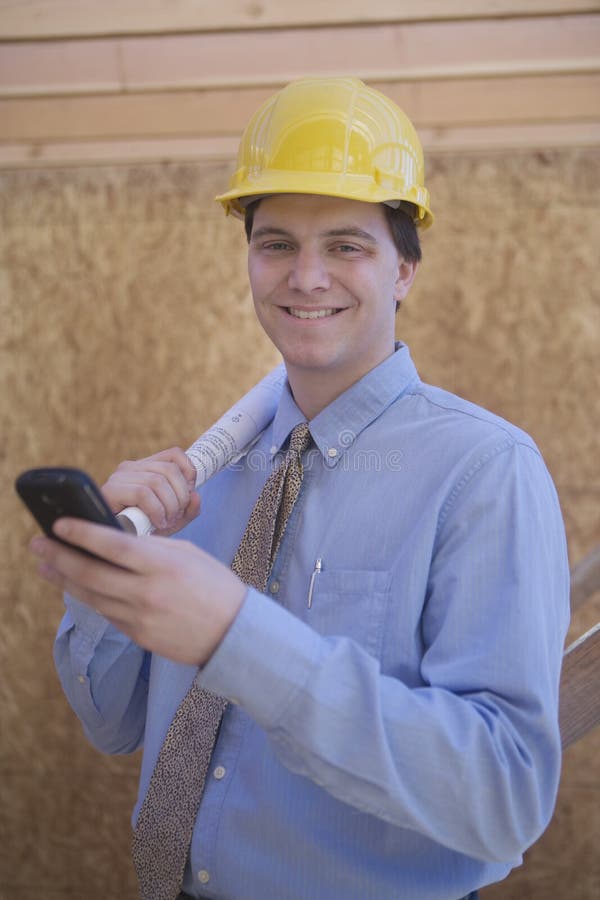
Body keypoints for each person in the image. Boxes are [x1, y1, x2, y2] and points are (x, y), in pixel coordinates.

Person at [30, 77, 570, 900]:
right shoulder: (209, 481)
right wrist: (107, 568)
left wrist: (236, 634)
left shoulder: (484, 473)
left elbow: (504, 798)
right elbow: (114, 725)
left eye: (347, 246)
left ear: (405, 270)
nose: (305, 278)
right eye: (276, 243)